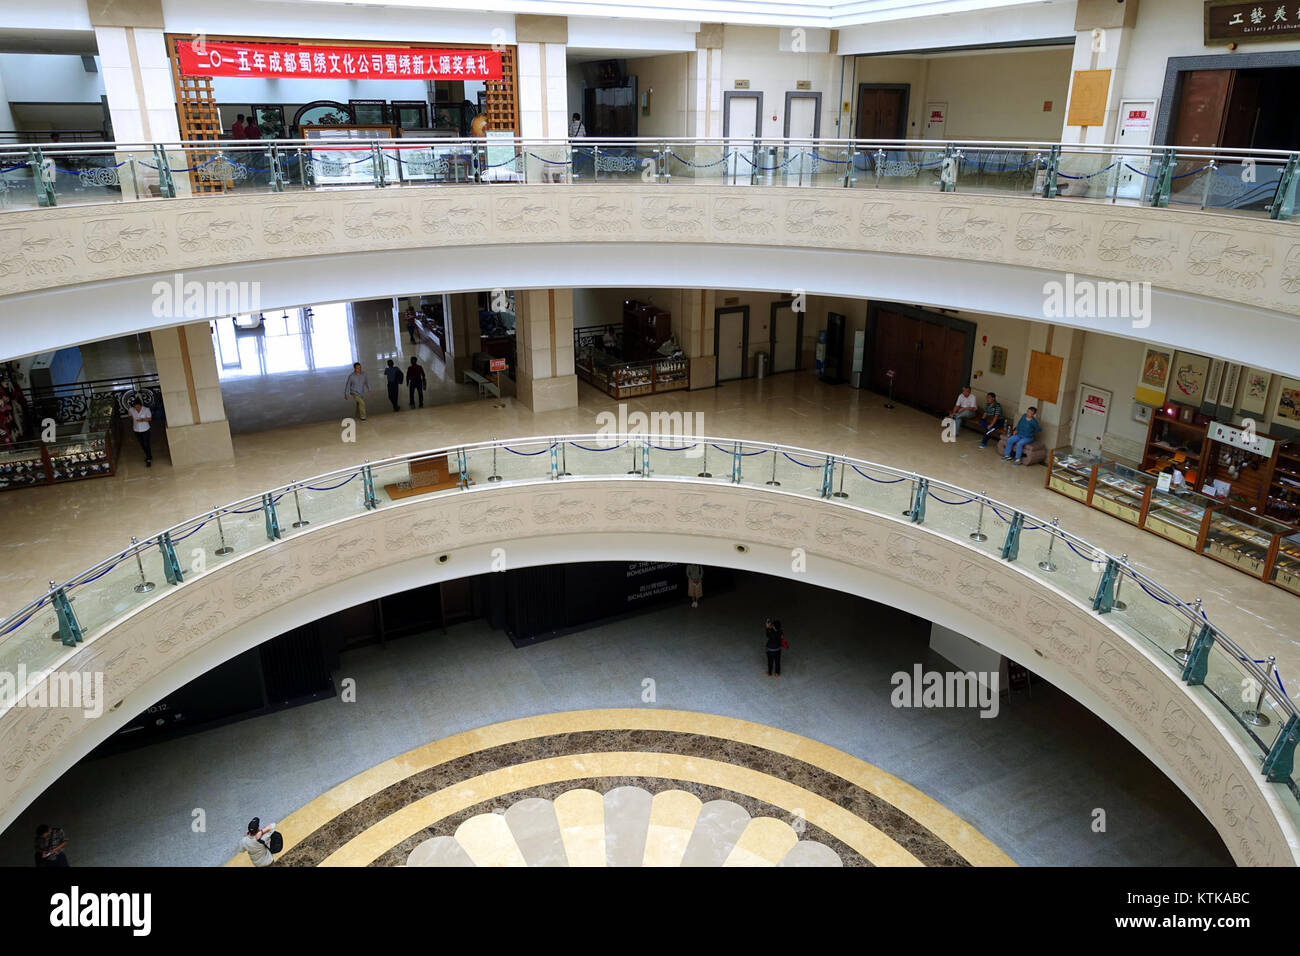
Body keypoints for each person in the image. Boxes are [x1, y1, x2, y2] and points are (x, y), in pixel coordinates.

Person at [128, 398, 153, 467]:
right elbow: (130, 416)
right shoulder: (131, 410)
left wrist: (143, 419)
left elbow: (150, 418)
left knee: (146, 443)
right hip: (136, 430)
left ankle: (148, 459)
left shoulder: (146, 409)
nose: (136, 408)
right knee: (142, 444)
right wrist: (131, 418)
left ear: (140, 405)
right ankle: (149, 455)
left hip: (145, 429)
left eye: (138, 407)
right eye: (135, 407)